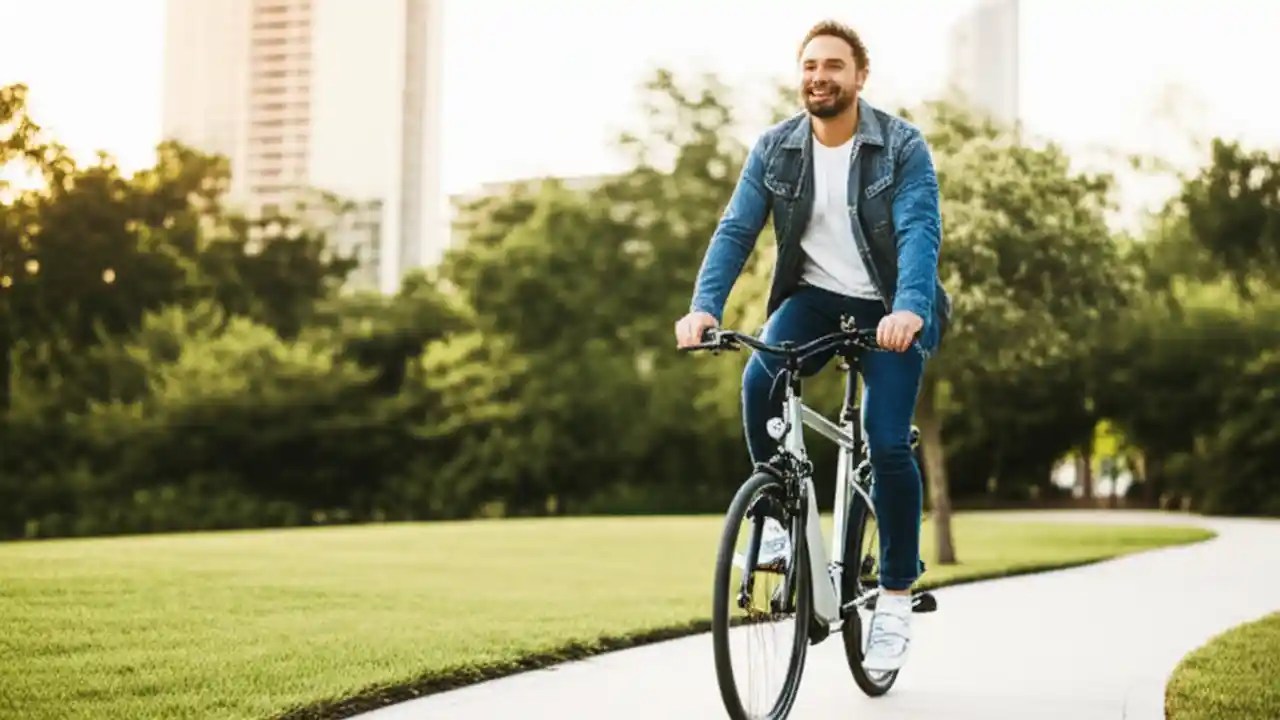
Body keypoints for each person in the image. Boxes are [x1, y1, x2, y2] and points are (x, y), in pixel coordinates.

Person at [673, 19, 949, 672]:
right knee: (758, 379)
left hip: (889, 307)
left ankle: (897, 597)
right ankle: (774, 520)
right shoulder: (776, 148)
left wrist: (910, 307)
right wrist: (703, 307)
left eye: (833, 66)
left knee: (885, 442)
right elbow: (736, 229)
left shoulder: (901, 145)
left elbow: (918, 229)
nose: (819, 77)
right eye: (809, 67)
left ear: (859, 77)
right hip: (815, 299)